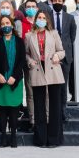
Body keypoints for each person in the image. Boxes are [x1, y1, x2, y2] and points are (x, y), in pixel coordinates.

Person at [26, 10, 65, 148]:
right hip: (37, 70)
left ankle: (54, 139)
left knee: (54, 106)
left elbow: (62, 51)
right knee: (39, 106)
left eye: (43, 18)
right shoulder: (29, 35)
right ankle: (41, 139)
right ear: (35, 19)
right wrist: (30, 61)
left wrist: (57, 56)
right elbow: (26, 53)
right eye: (39, 17)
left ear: (47, 20)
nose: (41, 20)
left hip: (53, 70)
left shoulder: (53, 33)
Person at [0, 14, 26, 148]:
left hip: (14, 79)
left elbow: (22, 60)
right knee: (3, 109)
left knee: (14, 109)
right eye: (3, 24)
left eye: (7, 23)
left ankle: (13, 136)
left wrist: (14, 76)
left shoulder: (19, 41)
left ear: (12, 24)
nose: (5, 25)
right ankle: (4, 136)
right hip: (0, 80)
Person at [49, 0, 74, 115]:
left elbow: (71, 36)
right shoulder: (47, 17)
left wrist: (64, 51)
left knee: (63, 85)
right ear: (51, 2)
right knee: (52, 85)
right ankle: (52, 110)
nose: (57, 3)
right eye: (55, 1)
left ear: (63, 2)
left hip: (65, 56)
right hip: (50, 56)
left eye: (59, 0)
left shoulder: (70, 18)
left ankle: (63, 110)